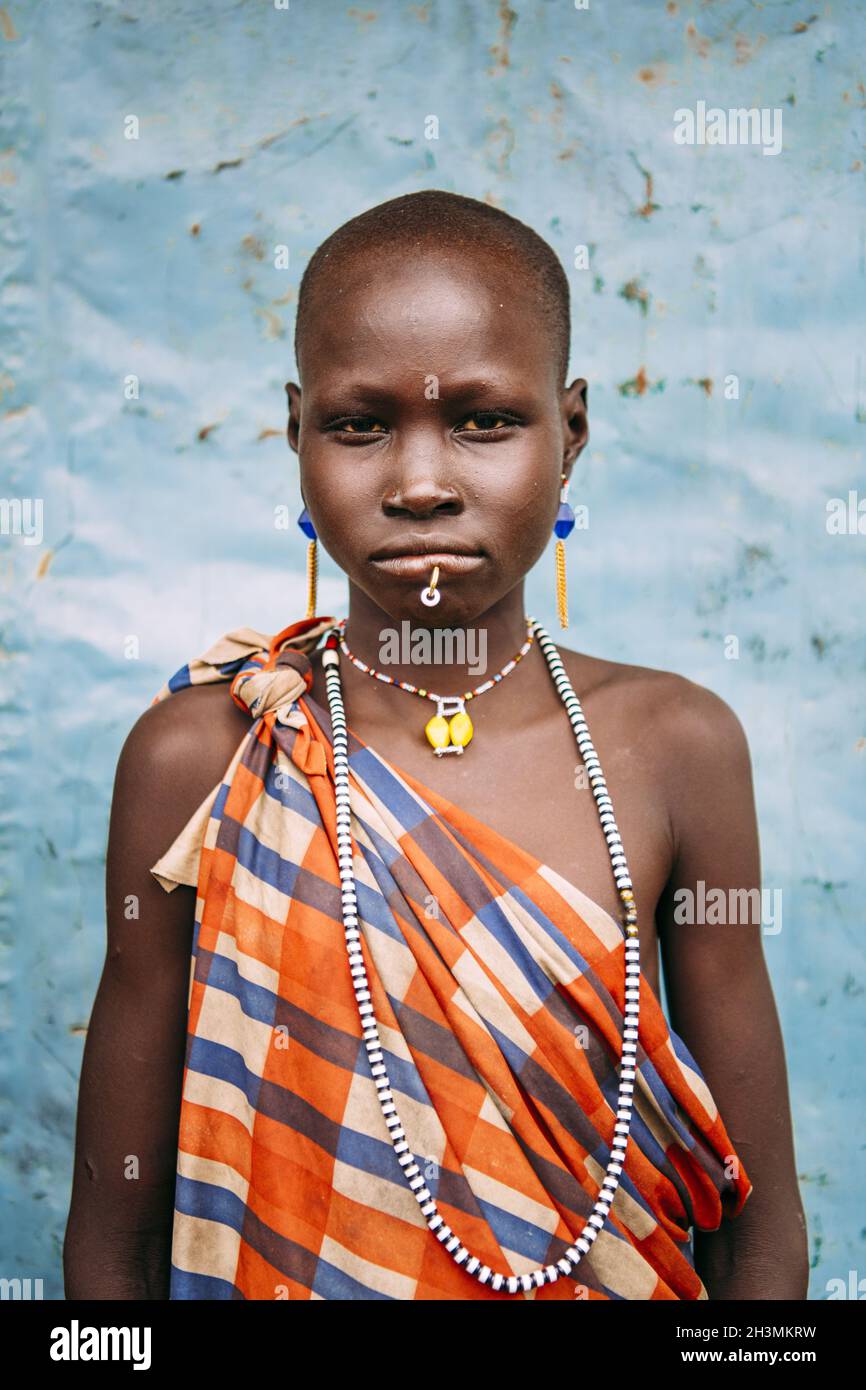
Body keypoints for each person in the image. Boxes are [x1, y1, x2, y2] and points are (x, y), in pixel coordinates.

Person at [64, 190, 808, 1300]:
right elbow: (111, 1238)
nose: (419, 485)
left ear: (572, 434)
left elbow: (757, 1232)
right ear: (296, 435)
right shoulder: (201, 757)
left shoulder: (675, 749)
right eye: (359, 425)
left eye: (484, 421)